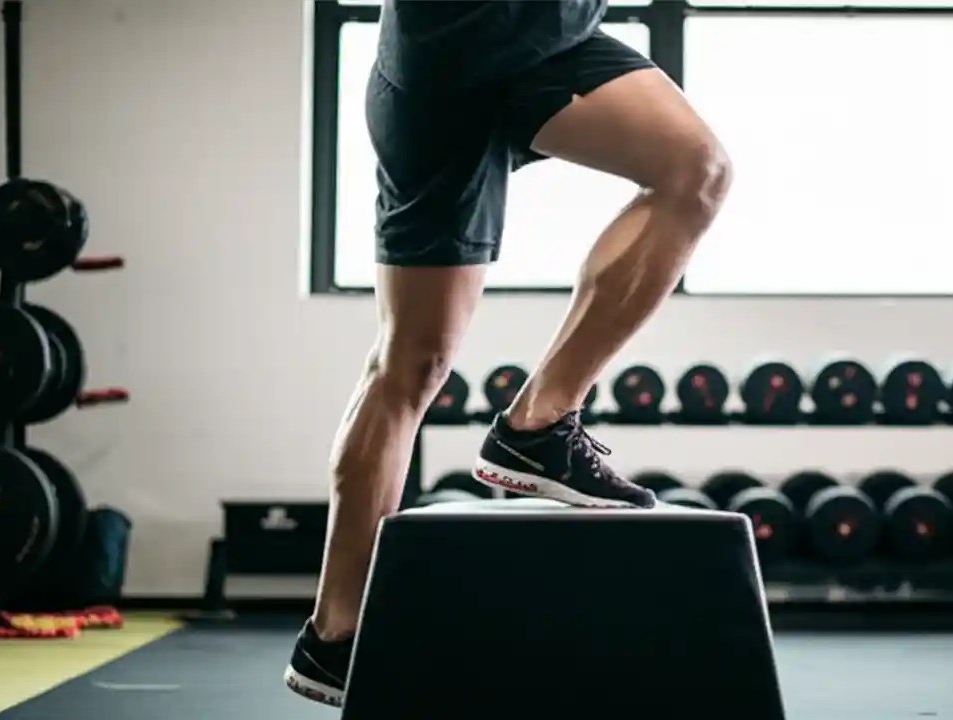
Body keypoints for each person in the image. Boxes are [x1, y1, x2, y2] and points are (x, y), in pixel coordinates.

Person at [284, 0, 732, 707]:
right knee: (412, 364)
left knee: (697, 169)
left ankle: (540, 425)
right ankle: (333, 638)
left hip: (555, 44)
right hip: (445, 66)